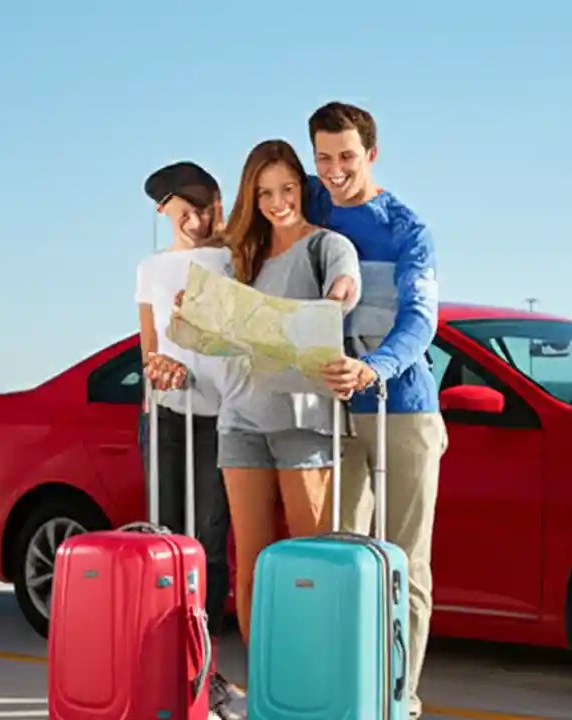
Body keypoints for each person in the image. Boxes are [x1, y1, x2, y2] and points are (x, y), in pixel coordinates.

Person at [176, 138, 361, 665]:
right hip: (240, 418)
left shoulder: (326, 245)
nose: (278, 202)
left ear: (302, 187)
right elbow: (218, 332)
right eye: (265, 194)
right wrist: (192, 316)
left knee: (311, 561)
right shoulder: (242, 259)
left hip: (304, 419)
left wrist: (338, 296)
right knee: (251, 564)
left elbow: (345, 288)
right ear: (251, 198)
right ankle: (268, 685)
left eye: (287, 189)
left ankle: (316, 679)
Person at [305, 101, 447, 720]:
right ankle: (343, 690)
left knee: (403, 561)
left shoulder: (407, 229)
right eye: (324, 158)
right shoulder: (308, 204)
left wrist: (374, 367)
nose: (335, 171)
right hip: (328, 411)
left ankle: (399, 698)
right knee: (337, 556)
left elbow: (422, 321)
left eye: (347, 157)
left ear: (372, 154)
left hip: (402, 409)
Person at [134, 161, 245, 718]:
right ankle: (166, 666)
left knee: (209, 541)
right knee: (166, 540)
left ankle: (208, 665)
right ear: (164, 211)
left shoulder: (234, 260)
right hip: (168, 418)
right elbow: (149, 349)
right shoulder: (151, 269)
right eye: (187, 211)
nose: (199, 221)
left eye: (207, 208)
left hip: (221, 418)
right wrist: (159, 369)